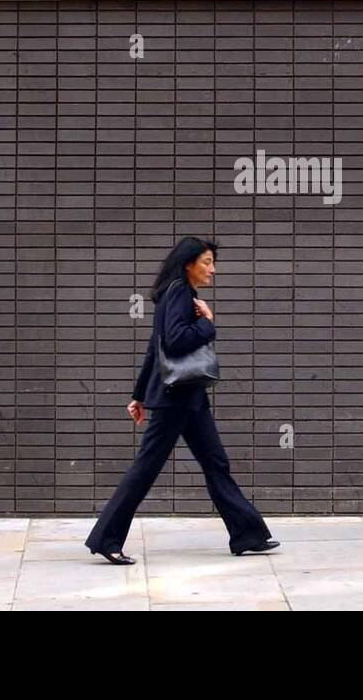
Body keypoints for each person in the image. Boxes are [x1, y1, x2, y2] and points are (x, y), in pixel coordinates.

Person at [85, 236, 279, 564]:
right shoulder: (180, 293)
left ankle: (248, 533)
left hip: (188, 397)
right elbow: (174, 344)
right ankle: (106, 538)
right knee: (146, 468)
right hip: (176, 398)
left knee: (215, 462)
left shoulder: (176, 293)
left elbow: (153, 349)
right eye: (207, 262)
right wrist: (207, 323)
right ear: (189, 263)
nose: (212, 269)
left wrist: (139, 395)